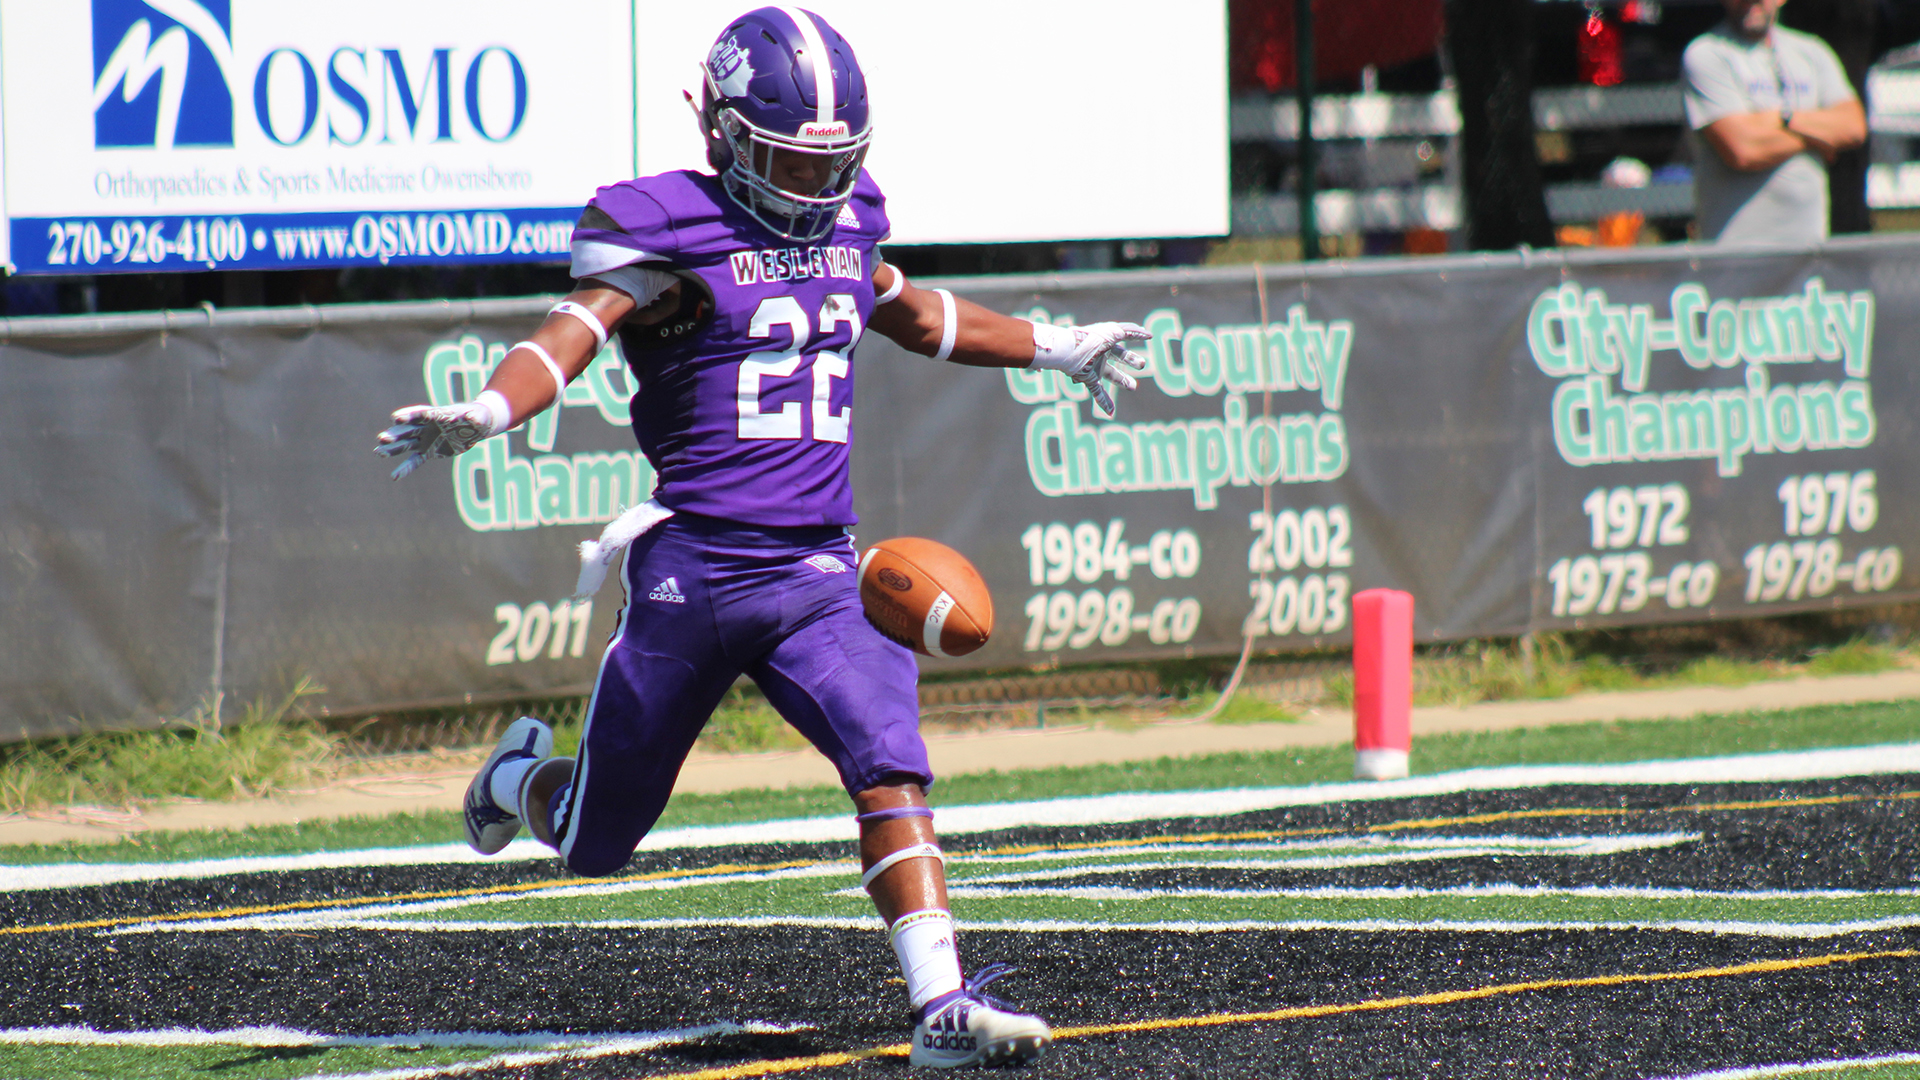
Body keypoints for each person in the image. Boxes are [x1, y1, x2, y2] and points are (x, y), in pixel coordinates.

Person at [374, 6, 1147, 1069]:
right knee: (598, 841)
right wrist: (489, 411)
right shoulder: (667, 230)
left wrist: (1055, 347)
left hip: (819, 571)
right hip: (695, 572)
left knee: (890, 763)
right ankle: (516, 782)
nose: (814, 187)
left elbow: (912, 312)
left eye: (832, 164)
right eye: (788, 158)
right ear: (728, 136)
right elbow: (570, 335)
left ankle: (941, 1006)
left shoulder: (847, 222)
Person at [1682, 0, 1867, 245]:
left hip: (1808, 254)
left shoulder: (1812, 51)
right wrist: (1818, 138)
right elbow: (1743, 150)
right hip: (1733, 258)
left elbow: (1853, 126)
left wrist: (1782, 120)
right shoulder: (1706, 54)